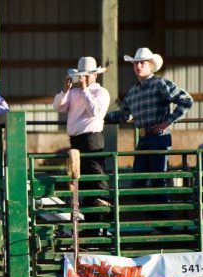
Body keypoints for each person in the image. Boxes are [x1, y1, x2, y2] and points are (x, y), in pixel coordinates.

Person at [105, 47, 193, 209]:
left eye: (142, 63)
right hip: (143, 139)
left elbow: (186, 100)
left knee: (158, 179)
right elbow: (124, 116)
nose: (138, 66)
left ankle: (163, 221)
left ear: (151, 65)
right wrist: (101, 117)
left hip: (159, 138)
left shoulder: (160, 84)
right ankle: (151, 215)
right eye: (135, 63)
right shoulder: (132, 93)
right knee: (137, 182)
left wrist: (167, 122)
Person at [53, 56, 112, 235]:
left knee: (94, 173)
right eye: (81, 76)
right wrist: (65, 91)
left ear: (94, 76)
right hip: (78, 140)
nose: (82, 79)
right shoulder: (74, 92)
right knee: (85, 182)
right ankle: (93, 227)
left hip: (91, 138)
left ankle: (104, 205)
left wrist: (83, 89)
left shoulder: (101, 93)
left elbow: (96, 111)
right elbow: (58, 106)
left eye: (85, 75)